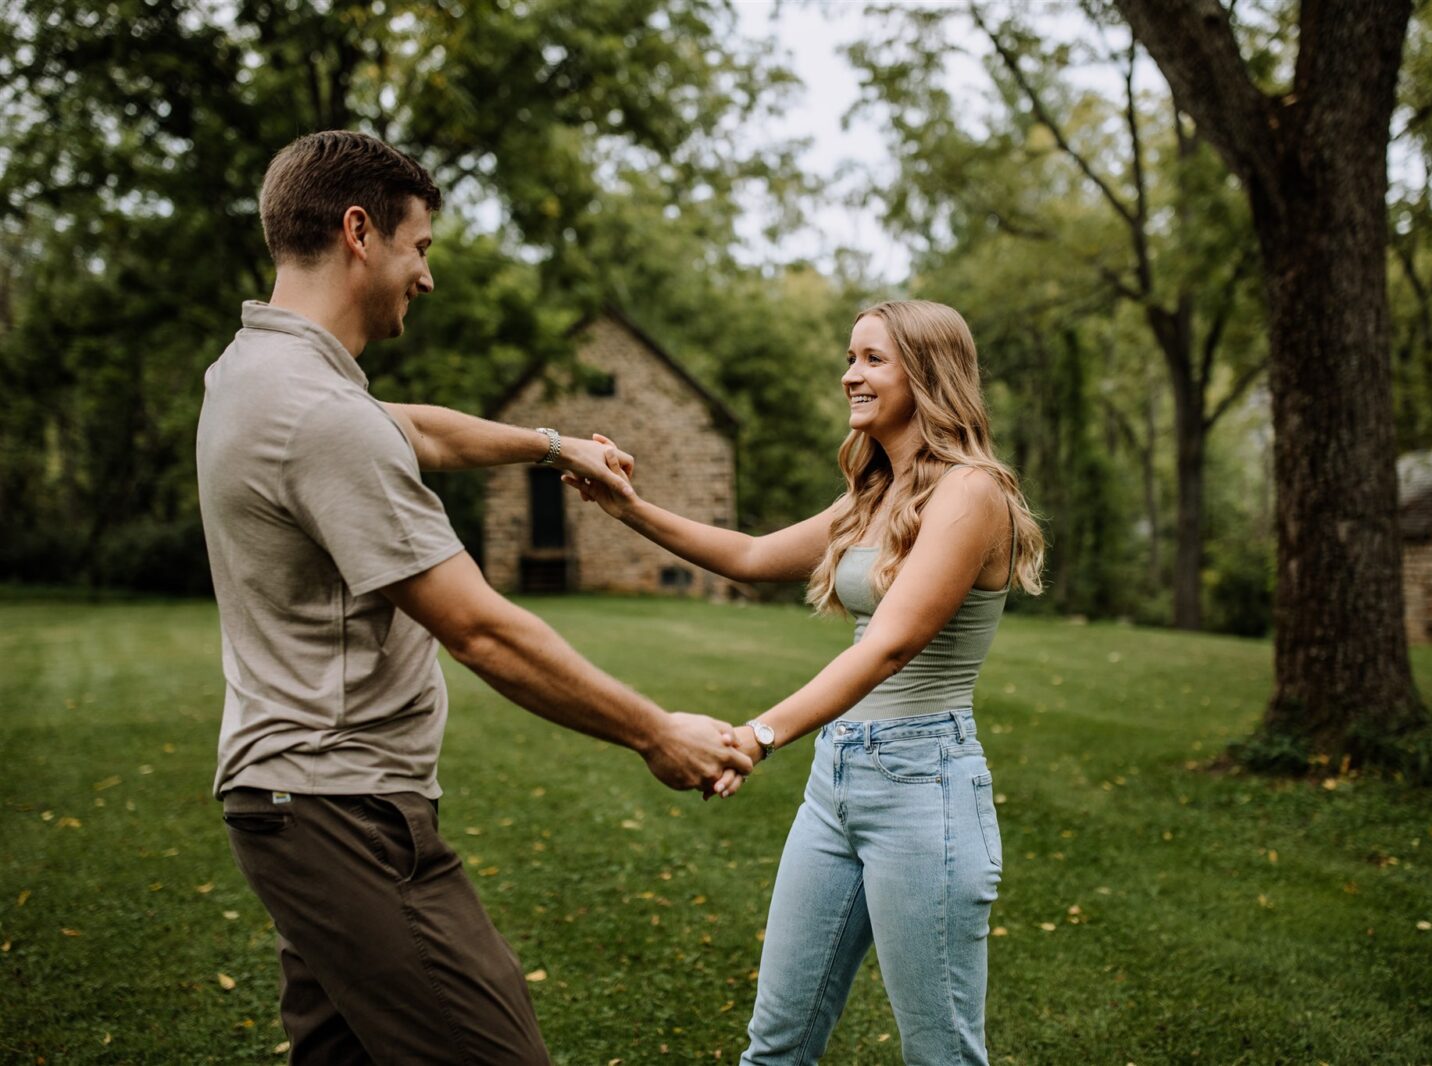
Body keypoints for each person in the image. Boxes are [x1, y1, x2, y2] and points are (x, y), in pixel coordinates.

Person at [196, 130, 752, 1065]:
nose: (427, 278)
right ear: (360, 232)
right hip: (344, 810)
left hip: (294, 800)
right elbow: (479, 628)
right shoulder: (321, 416)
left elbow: (412, 429)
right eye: (421, 249)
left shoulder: (257, 374)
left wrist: (551, 444)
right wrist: (656, 732)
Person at [565, 299, 1045, 1064]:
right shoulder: (876, 493)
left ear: (927, 372)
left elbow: (889, 646)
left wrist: (759, 735)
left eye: (872, 359)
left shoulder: (971, 493)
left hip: (927, 790)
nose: (850, 374)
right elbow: (753, 557)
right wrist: (628, 510)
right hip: (840, 780)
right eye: (851, 358)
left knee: (941, 1056)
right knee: (775, 1049)